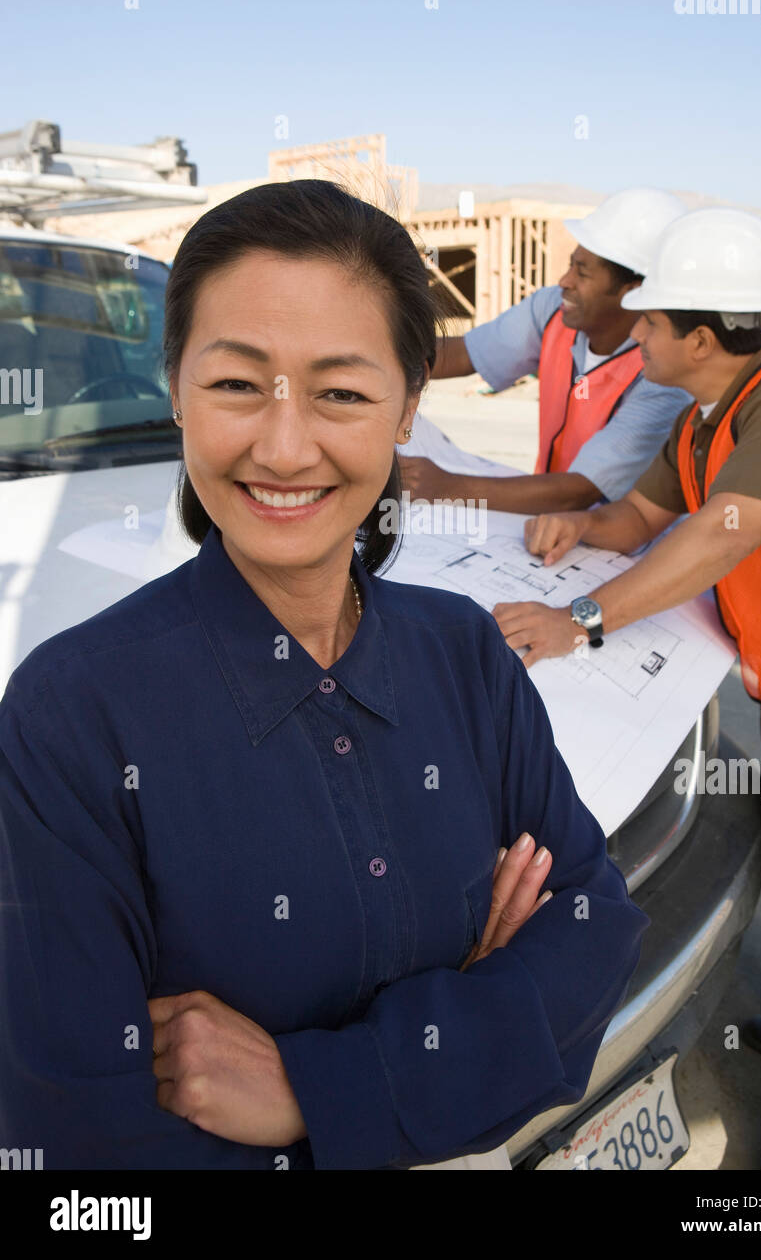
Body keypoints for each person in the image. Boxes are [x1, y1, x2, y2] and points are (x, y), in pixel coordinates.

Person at [0, 179, 649, 1171]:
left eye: (340, 392)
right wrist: (478, 1009)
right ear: (174, 388)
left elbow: (592, 929)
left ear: (408, 409)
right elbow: (85, 1144)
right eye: (235, 384)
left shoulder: (463, 653)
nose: (284, 445)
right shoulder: (71, 716)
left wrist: (316, 1090)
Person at [491, 207, 761, 1170]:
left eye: (652, 321)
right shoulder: (702, 422)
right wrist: (579, 529)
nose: (636, 332)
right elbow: (638, 519)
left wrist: (581, 620)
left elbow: (717, 533)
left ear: (701, 338)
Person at [400, 186, 692, 514]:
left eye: (582, 273)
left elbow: (579, 491)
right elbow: (463, 354)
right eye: (570, 265)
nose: (565, 281)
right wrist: (380, 359)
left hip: (617, 533)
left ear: (633, 290)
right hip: (552, 519)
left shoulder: (666, 378)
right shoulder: (554, 309)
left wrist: (446, 487)